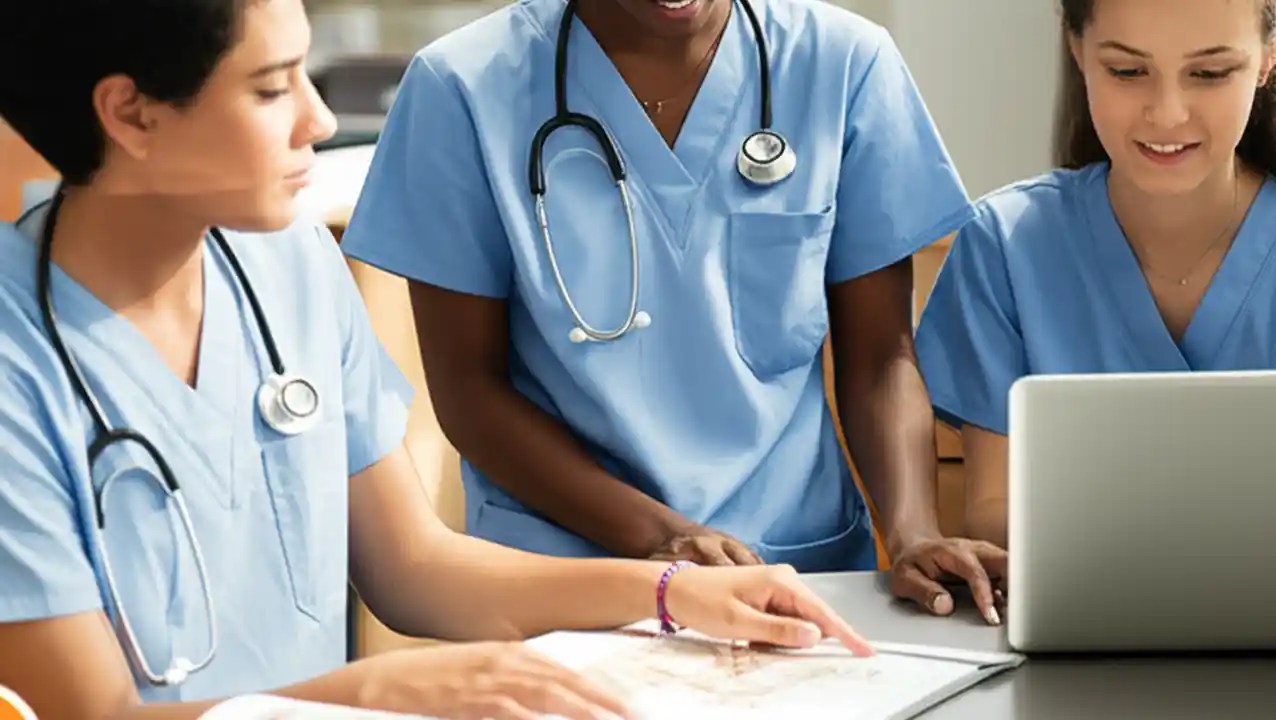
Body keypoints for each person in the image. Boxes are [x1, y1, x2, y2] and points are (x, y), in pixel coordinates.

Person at [0, 2, 879, 718]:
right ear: (131, 114)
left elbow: (414, 570)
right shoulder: (17, 361)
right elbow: (85, 711)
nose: (318, 117)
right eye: (272, 90)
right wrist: (366, 692)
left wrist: (672, 593)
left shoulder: (290, 266)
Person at [340, 0, 1007, 624]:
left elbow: (881, 358)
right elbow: (468, 392)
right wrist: (666, 539)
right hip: (568, 586)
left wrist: (915, 531)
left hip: (800, 573)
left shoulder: (844, 66)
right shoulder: (461, 88)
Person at [915, 0, 1276, 548]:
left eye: (1209, 73)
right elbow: (994, 510)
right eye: (1128, 71)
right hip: (1080, 623)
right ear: (1077, 49)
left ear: (1267, 59)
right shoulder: (1005, 246)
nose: (1167, 113)